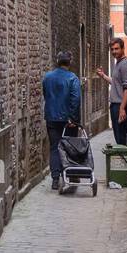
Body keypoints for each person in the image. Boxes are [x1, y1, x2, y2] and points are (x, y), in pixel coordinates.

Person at [42, 52, 81, 191]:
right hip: (67, 120)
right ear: (69, 62)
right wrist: (73, 118)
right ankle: (69, 175)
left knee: (54, 147)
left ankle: (55, 179)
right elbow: (75, 100)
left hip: (51, 117)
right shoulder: (72, 78)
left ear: (57, 61)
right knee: (69, 147)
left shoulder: (47, 77)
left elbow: (46, 95)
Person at [97, 37, 127, 147]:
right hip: (116, 106)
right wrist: (103, 76)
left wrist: (122, 108)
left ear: (123, 48)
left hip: (120, 106)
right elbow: (116, 83)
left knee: (122, 139)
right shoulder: (119, 63)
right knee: (119, 138)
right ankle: (126, 163)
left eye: (116, 49)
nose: (114, 51)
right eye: (112, 49)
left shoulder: (125, 65)